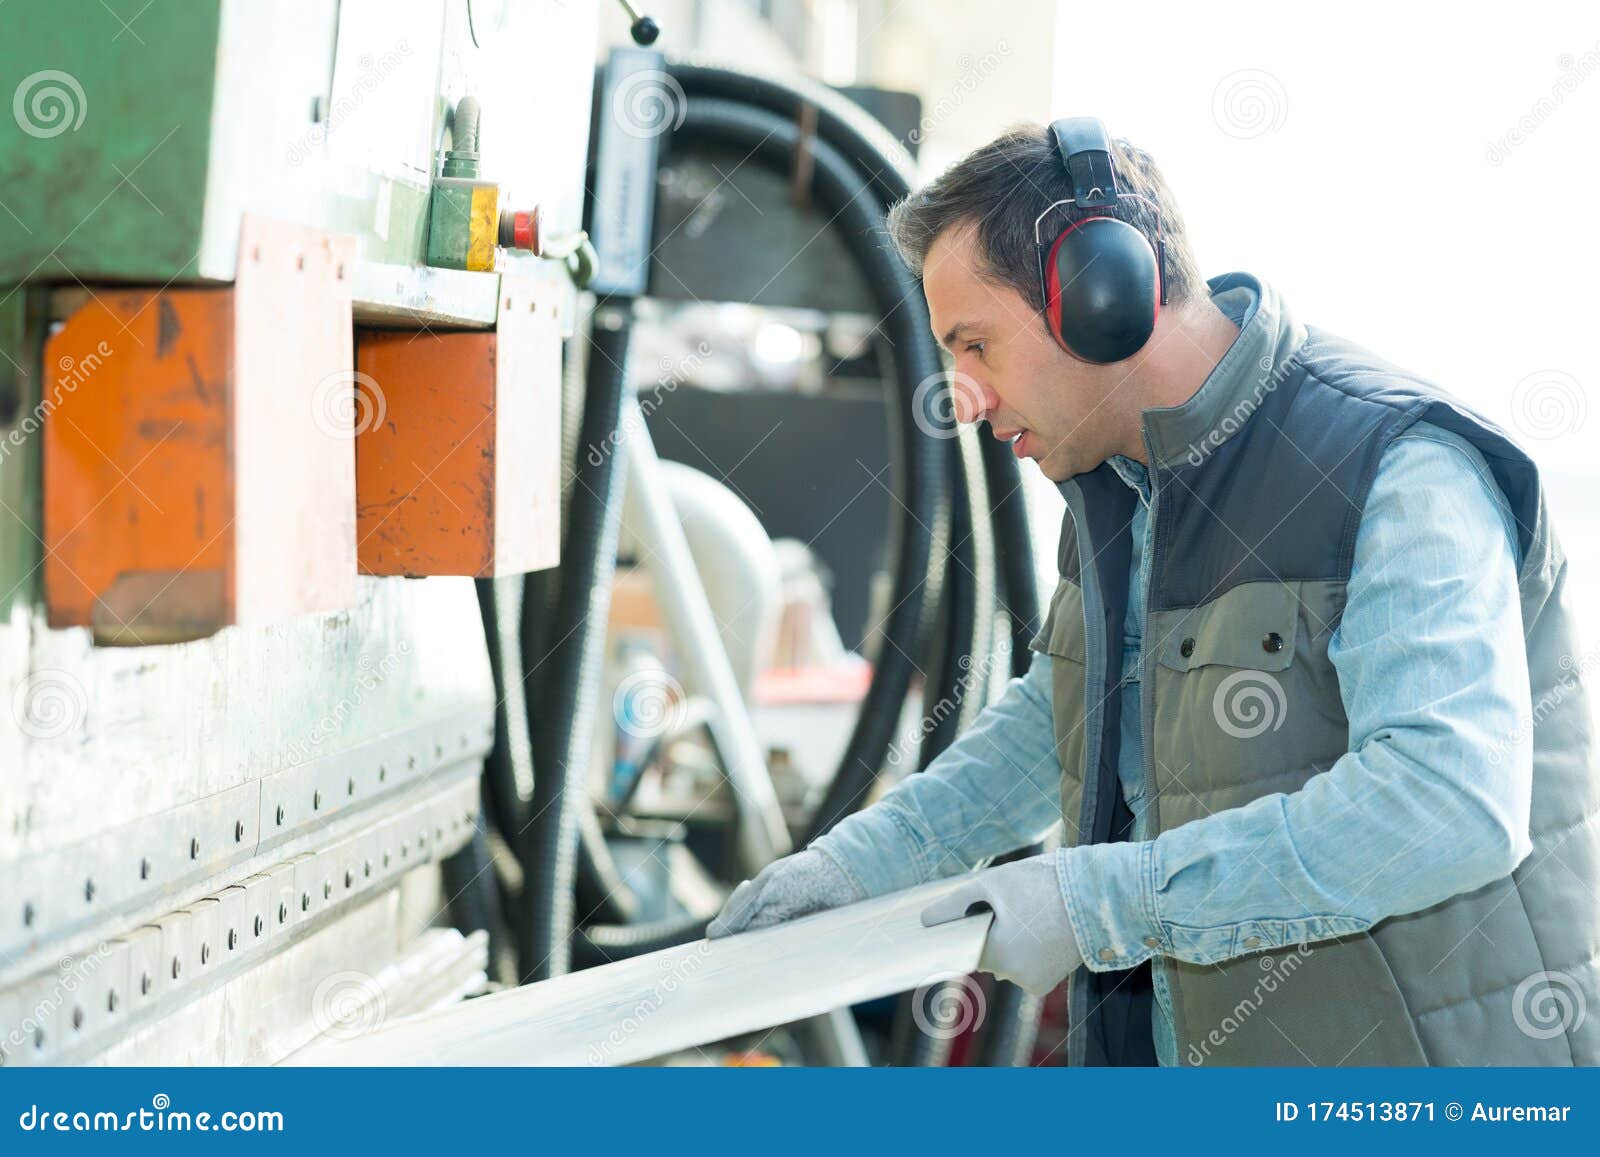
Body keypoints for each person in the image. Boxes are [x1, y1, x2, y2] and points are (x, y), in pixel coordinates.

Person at [707, 120, 1599, 1067]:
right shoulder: (1117, 486)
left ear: (1101, 294)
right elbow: (1053, 724)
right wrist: (853, 868)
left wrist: (1098, 902)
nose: (962, 396)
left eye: (977, 345)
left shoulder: (1398, 467)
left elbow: (1448, 802)